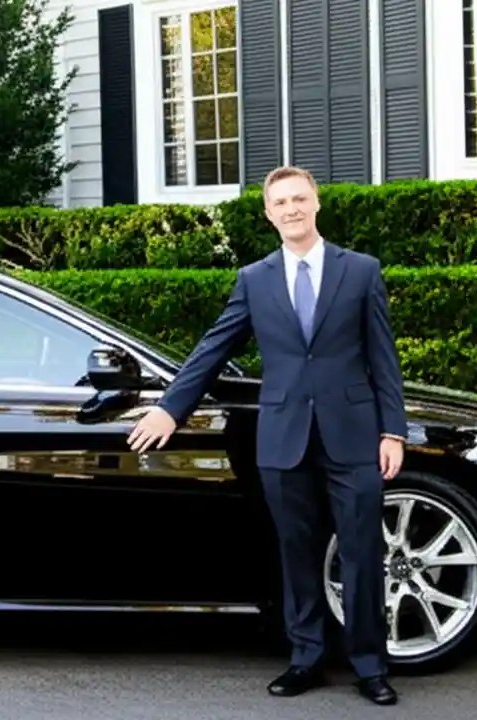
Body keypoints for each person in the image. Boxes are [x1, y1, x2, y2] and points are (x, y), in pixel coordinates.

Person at [127, 165, 406, 707]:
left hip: (353, 435)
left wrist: (392, 431)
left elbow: (383, 358)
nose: (291, 209)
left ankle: (370, 666)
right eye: (281, 202)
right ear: (268, 214)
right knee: (296, 553)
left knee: (361, 552)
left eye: (299, 199)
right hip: (283, 438)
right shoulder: (254, 280)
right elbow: (214, 347)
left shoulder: (361, 270)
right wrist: (169, 409)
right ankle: (306, 659)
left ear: (316, 203)